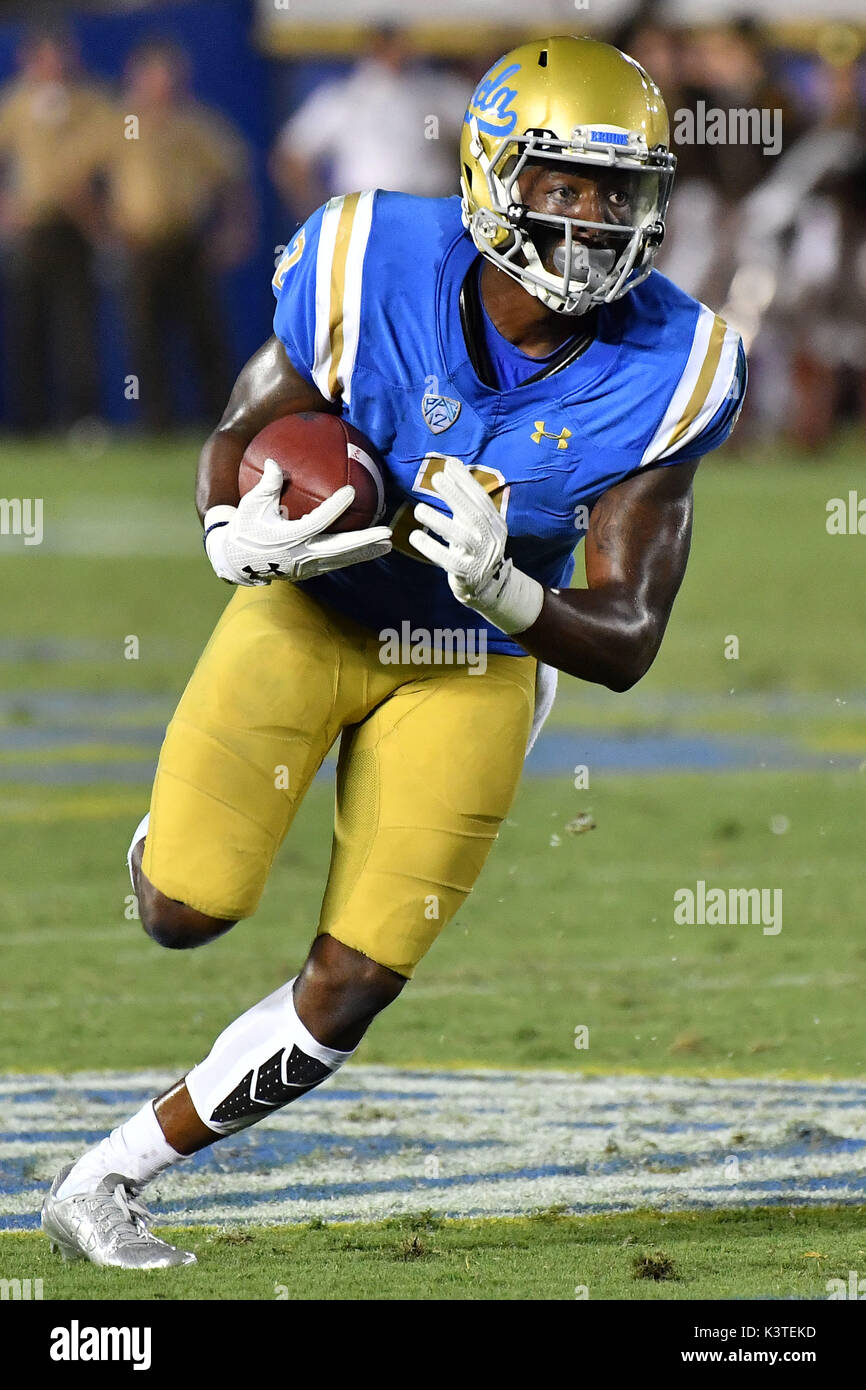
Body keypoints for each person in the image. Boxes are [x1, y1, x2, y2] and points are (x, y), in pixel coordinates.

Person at [41, 35, 746, 1268]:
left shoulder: (672, 366)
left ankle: (108, 1177)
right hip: (312, 610)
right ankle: (173, 844)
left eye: (615, 194)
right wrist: (227, 520)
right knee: (181, 911)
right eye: (564, 186)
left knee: (355, 981)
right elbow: (247, 424)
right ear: (490, 173)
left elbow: (627, 638)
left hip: (474, 660)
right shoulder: (372, 256)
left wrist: (506, 586)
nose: (590, 223)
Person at [109, 39, 254, 429]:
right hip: (140, 244)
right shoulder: (119, 124)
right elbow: (76, 175)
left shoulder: (197, 125)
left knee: (204, 337)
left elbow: (234, 178)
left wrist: (235, 230)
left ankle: (221, 421)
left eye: (168, 75)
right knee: (144, 339)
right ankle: (155, 423)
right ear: (135, 78)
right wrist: (104, 226)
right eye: (153, 76)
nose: (162, 85)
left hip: (189, 242)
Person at [0, 25, 114, 429]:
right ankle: (30, 424)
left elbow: (110, 160)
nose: (53, 65)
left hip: (76, 228)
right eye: (44, 56)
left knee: (77, 330)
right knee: (27, 328)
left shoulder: (93, 103)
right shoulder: (15, 103)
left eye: (59, 55)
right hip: (30, 230)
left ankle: (83, 420)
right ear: (28, 60)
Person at [270, 25, 468, 219]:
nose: (398, 50)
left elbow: (484, 128)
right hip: (366, 214)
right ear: (375, 46)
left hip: (431, 210)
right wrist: (317, 213)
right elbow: (291, 158)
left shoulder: (436, 90)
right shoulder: (343, 96)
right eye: (390, 43)